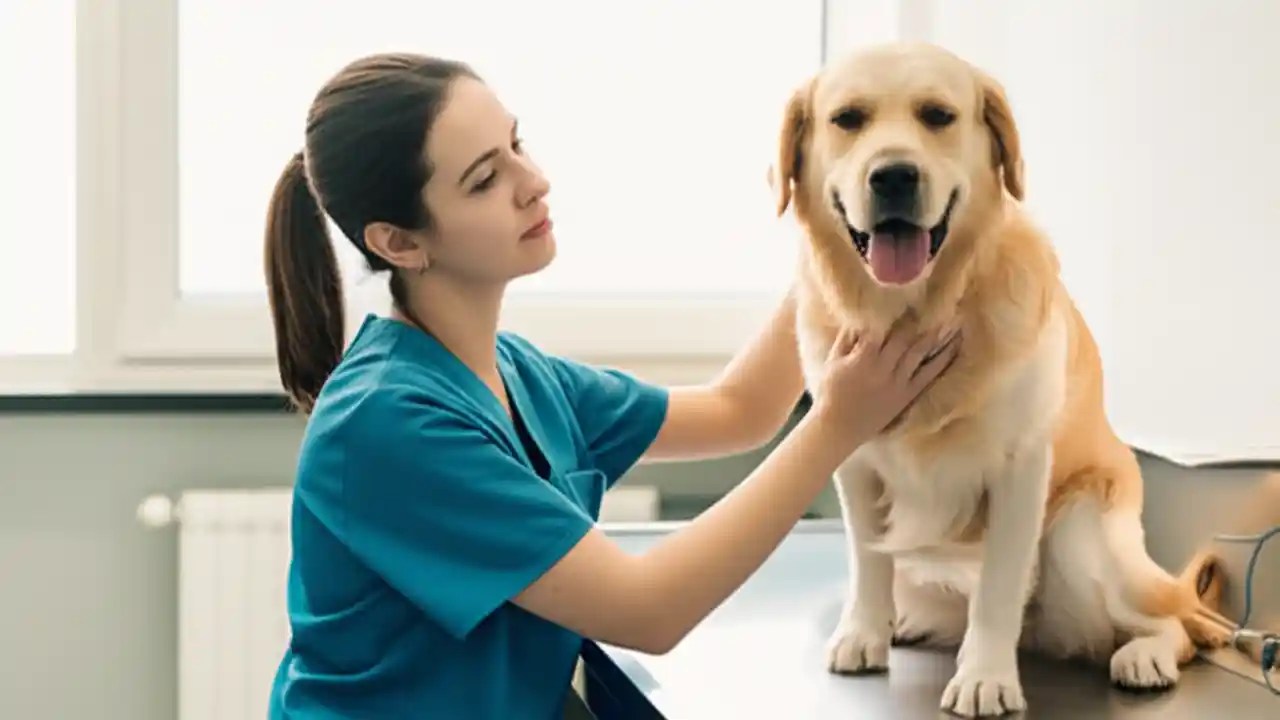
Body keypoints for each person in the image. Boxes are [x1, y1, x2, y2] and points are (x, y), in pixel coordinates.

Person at [261, 52, 961, 720]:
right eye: (483, 179)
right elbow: (647, 610)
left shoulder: (516, 374)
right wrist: (838, 425)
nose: (533, 181)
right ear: (399, 243)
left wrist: (839, 239)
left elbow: (737, 411)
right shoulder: (389, 422)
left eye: (516, 144)